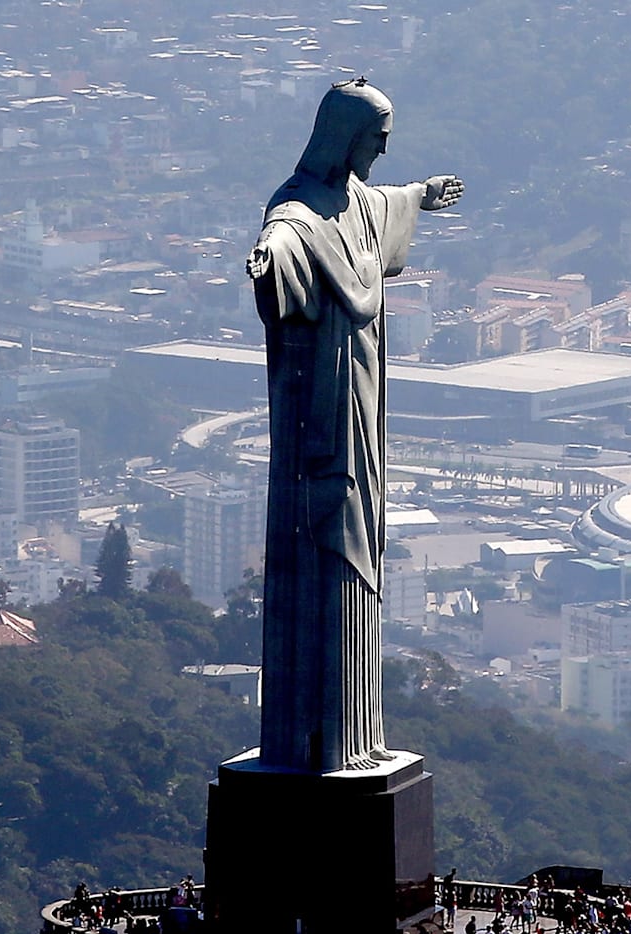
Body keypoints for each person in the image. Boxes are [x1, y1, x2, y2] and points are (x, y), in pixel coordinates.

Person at [246, 78, 462, 773]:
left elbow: (383, 204)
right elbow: (282, 239)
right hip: (324, 420)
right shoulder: (300, 214)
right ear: (344, 136)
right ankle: (323, 743)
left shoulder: (359, 203)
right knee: (327, 549)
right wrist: (269, 263)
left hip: (364, 408)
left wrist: (421, 194)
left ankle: (357, 739)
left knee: (360, 539)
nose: (383, 148)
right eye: (377, 138)